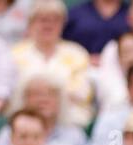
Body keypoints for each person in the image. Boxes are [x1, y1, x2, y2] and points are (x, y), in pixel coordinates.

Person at [10, 0, 95, 130]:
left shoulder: (77, 53)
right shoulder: (15, 54)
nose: (48, 25)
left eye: (55, 20)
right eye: (42, 20)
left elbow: (83, 93)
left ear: (63, 24)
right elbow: (13, 92)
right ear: (31, 23)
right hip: (26, 121)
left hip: (70, 121)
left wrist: (40, 96)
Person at [62, 0, 130, 61]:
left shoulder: (131, 12)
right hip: (79, 67)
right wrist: (84, 58)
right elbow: (61, 44)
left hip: (122, 69)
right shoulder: (75, 14)